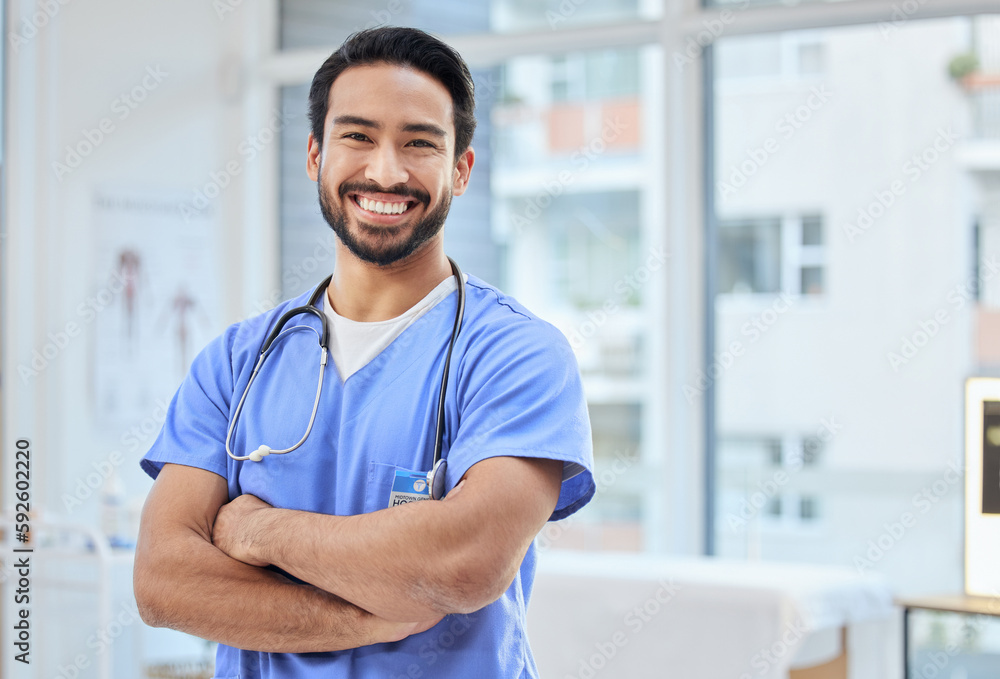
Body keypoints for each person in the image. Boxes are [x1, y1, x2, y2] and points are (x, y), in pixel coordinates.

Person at [133, 26, 595, 679]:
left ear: (461, 169)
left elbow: (464, 563)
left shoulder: (517, 356)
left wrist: (258, 532)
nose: (385, 170)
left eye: (419, 143)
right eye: (357, 136)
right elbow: (163, 580)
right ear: (315, 154)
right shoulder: (237, 361)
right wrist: (372, 614)